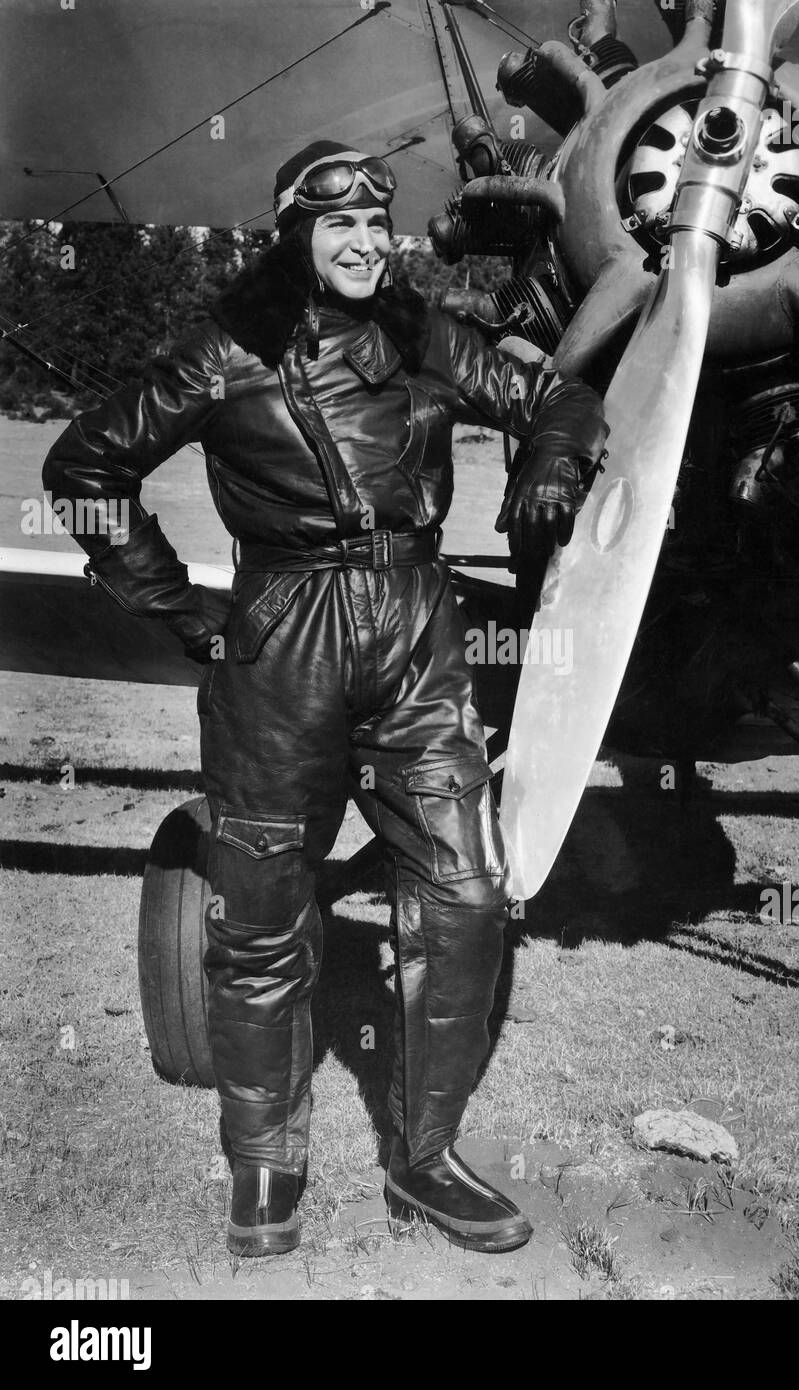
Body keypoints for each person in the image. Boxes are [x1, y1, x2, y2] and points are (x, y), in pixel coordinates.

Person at [42, 140, 608, 1257]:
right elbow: (86, 467)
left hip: (417, 630)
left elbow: (562, 392)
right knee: (257, 923)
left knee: (467, 899)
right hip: (281, 642)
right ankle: (265, 1170)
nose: (362, 242)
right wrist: (180, 609)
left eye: (376, 222)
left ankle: (427, 1157)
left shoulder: (427, 334)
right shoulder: (223, 351)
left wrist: (551, 456)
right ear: (293, 231)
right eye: (335, 222)